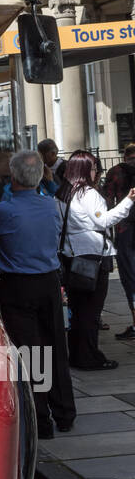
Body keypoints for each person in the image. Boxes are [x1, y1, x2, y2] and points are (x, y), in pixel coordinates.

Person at [0, 148, 75, 439]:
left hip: (18, 285)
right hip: (48, 281)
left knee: (31, 353)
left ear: (14, 176)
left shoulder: (3, 211)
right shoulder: (51, 206)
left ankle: (40, 420)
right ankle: (65, 413)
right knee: (55, 346)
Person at [58, 150, 135, 370]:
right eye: (93, 168)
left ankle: (79, 354)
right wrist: (128, 201)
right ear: (83, 170)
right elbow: (105, 220)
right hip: (92, 257)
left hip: (71, 255)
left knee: (78, 309)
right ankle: (88, 357)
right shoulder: (87, 194)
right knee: (90, 312)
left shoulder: (62, 192)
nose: (96, 172)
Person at [103, 143, 135, 339]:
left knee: (130, 279)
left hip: (126, 230)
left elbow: (107, 201)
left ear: (124, 156)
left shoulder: (116, 172)